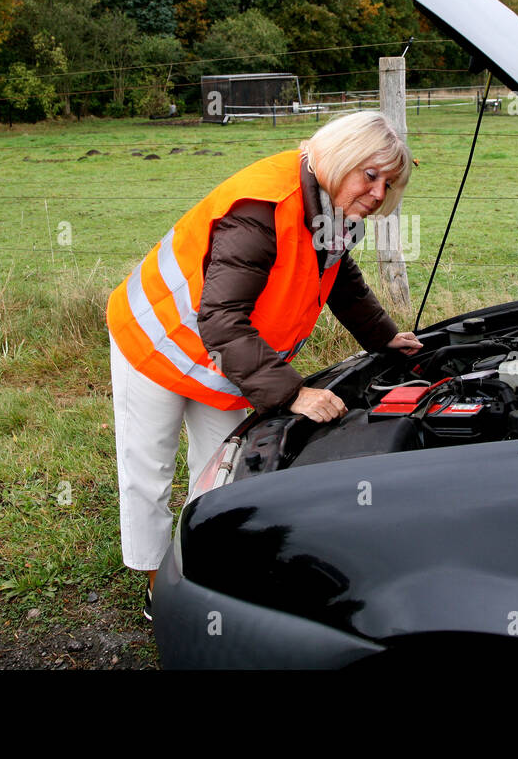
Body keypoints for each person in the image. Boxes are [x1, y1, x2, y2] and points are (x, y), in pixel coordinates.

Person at [106, 111, 423, 620]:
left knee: (223, 470)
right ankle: (154, 584)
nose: (379, 193)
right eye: (371, 175)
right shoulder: (263, 205)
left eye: (389, 183)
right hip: (157, 339)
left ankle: (204, 569)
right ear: (340, 157)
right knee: (149, 468)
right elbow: (223, 318)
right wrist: (293, 393)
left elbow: (340, 280)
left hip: (225, 357)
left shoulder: (330, 207)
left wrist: (385, 338)